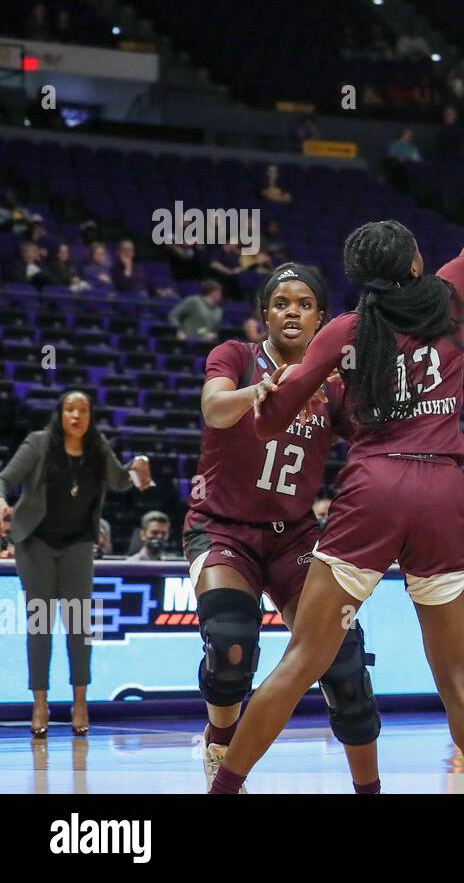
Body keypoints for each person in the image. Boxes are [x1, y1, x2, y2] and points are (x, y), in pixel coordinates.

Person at [206, 92, 464, 795]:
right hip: (442, 490)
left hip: (372, 490)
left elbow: (267, 421)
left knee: (299, 664)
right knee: (459, 681)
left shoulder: (341, 331)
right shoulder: (449, 297)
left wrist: (271, 397)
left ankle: (221, 790)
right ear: (412, 266)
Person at [182, 263, 384, 793]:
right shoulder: (236, 357)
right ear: (264, 314)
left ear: (321, 317)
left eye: (304, 303)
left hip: (294, 535)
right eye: (280, 302)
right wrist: (257, 395)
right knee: (230, 646)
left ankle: (370, 789)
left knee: (344, 663)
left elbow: (371, 440)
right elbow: (213, 409)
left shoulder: (334, 386)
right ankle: (219, 749)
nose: (292, 310)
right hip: (223, 529)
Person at [0, 391, 152, 737]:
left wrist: (139, 467)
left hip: (79, 544)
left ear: (90, 416)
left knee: (79, 625)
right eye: (70, 409)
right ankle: (40, 703)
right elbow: (5, 478)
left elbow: (121, 480)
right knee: (39, 623)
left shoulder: (97, 448)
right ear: (61, 413)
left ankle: (79, 701)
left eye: (83, 410)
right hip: (36, 542)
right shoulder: (38, 444)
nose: (76, 415)